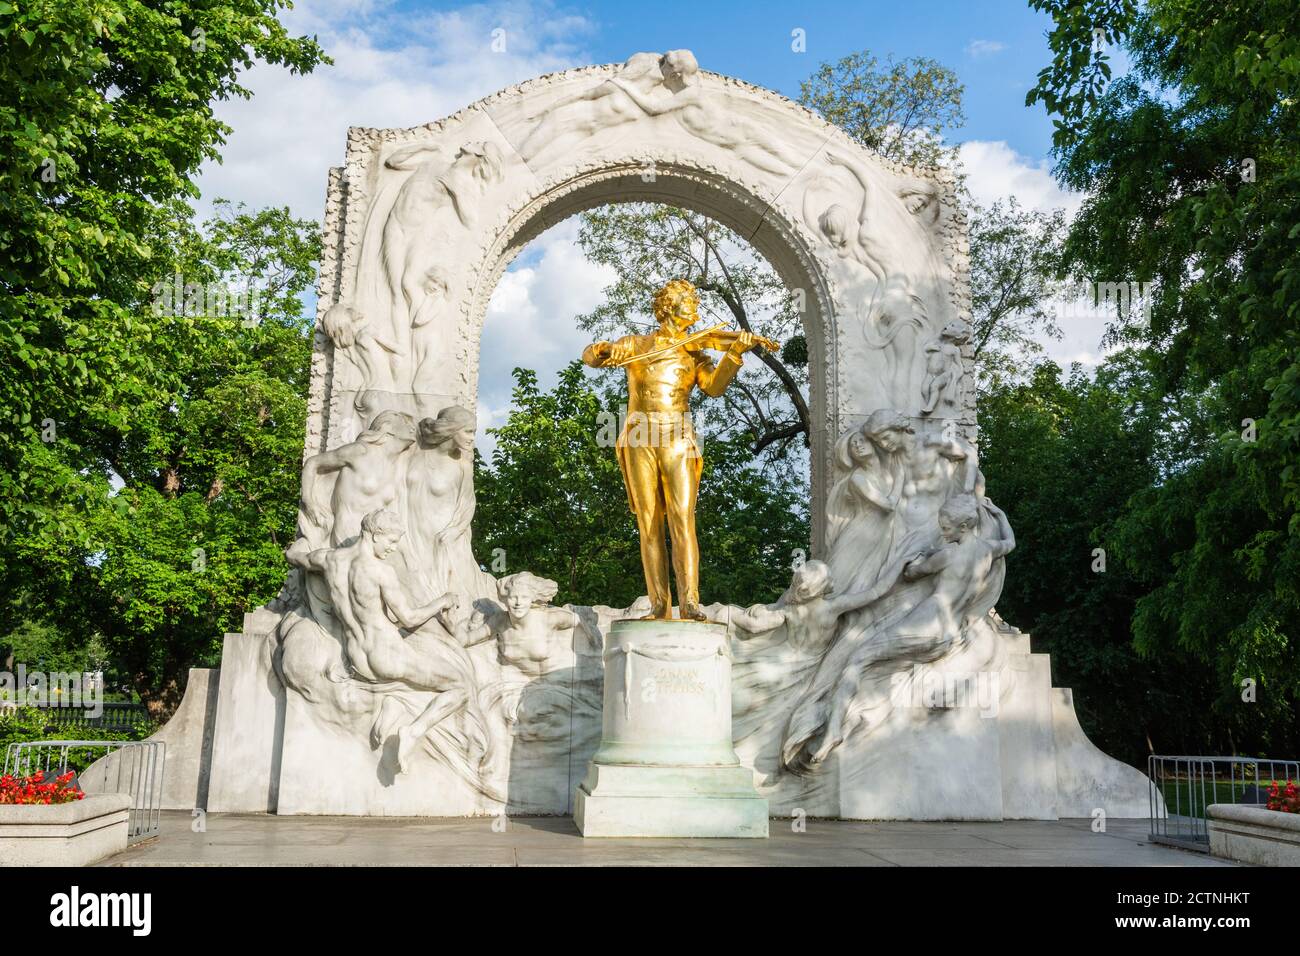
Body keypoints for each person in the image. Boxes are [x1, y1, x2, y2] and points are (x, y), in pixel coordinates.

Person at [581, 278, 768, 620]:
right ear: (669, 306)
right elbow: (591, 358)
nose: (696, 307)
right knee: (649, 523)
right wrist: (601, 350)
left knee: (683, 518)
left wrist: (735, 353)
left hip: (678, 436)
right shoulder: (637, 344)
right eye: (690, 301)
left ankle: (691, 601)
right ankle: (658, 604)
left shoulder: (696, 351)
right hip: (639, 436)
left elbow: (713, 388)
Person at [301, 509, 491, 775]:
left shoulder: (330, 559)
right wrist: (443, 601)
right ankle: (413, 730)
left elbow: (300, 557)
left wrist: (299, 544)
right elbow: (410, 617)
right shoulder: (380, 572)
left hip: (357, 657)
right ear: (372, 534)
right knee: (460, 684)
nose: (392, 548)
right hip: (387, 655)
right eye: (390, 540)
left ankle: (395, 703)